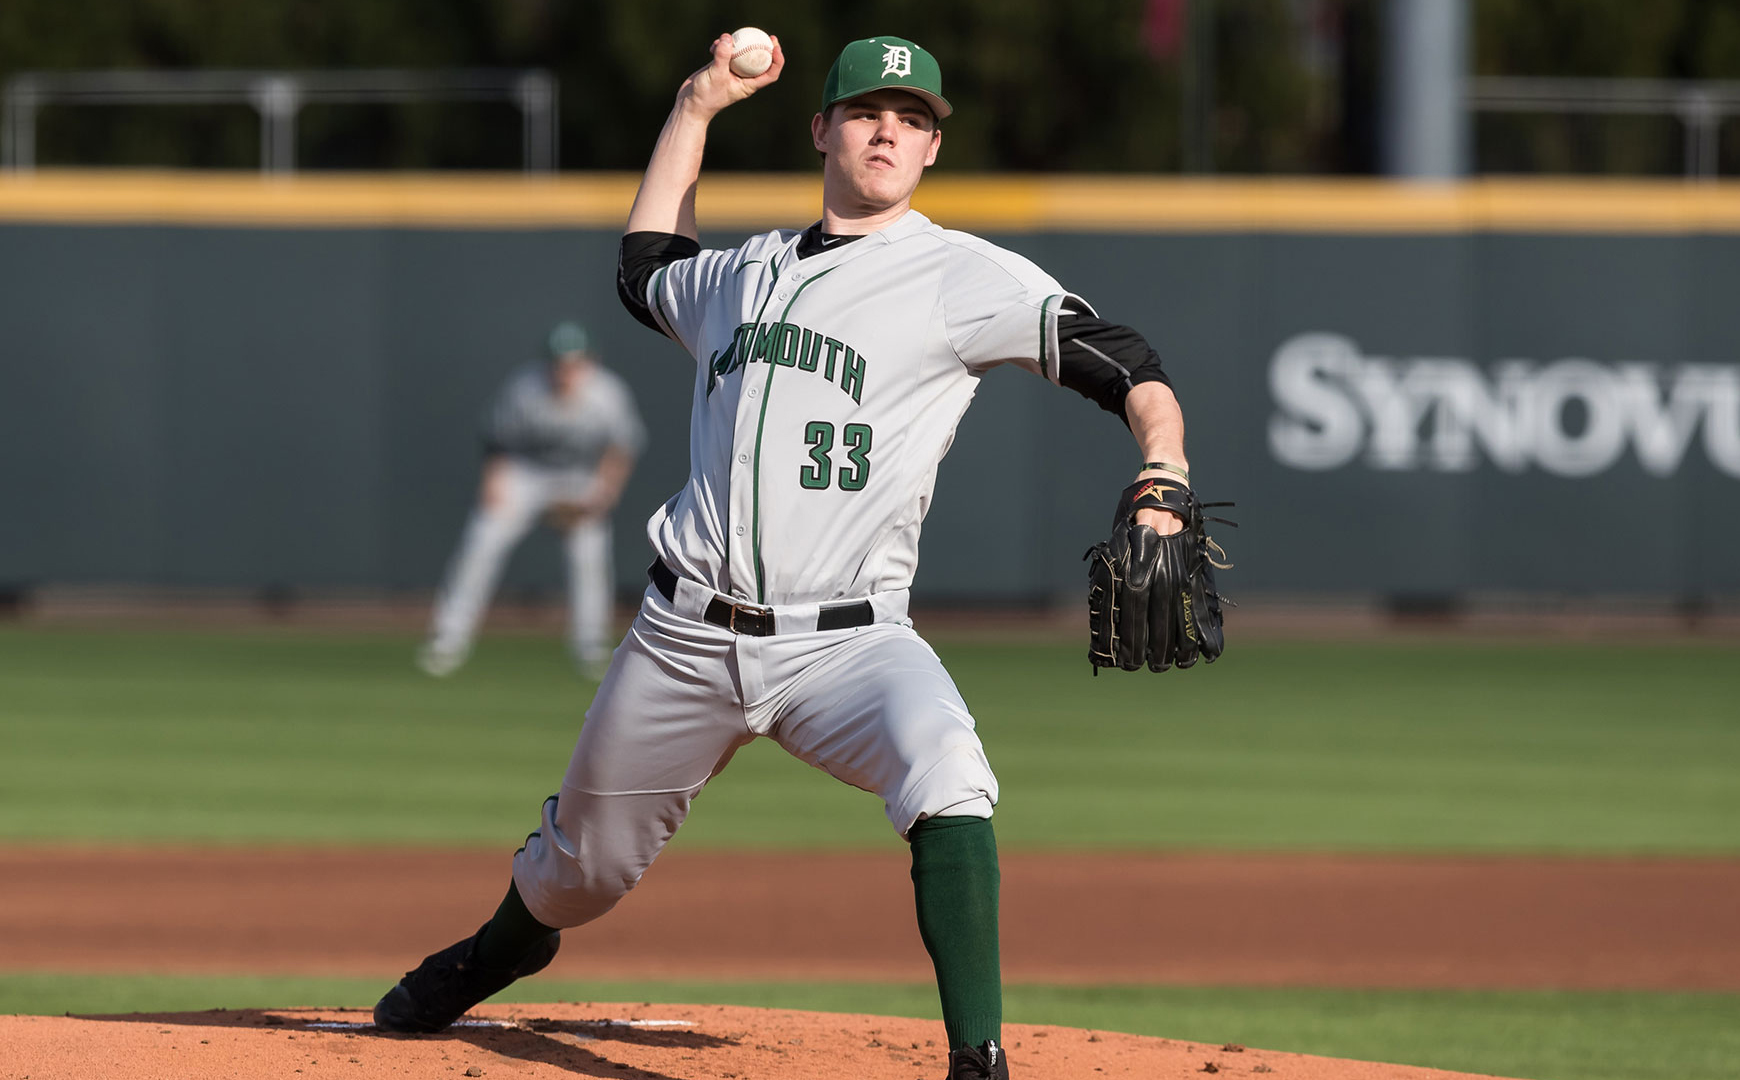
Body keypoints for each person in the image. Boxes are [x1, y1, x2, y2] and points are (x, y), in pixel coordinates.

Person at [374, 34, 1195, 1080]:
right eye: (867, 111)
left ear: (935, 146)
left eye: (915, 118)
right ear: (822, 129)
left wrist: (1162, 469)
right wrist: (695, 104)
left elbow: (1126, 362)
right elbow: (645, 268)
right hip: (683, 636)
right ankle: (491, 953)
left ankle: (978, 1060)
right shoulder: (742, 275)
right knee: (578, 880)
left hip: (848, 647)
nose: (890, 129)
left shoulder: (961, 276)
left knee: (949, 770)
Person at [417, 322, 644, 678]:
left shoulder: (607, 393)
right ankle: (448, 639)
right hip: (526, 474)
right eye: (559, 362)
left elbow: (621, 448)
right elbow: (498, 441)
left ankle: (591, 647)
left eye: (574, 363)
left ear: (590, 362)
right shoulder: (525, 388)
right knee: (482, 543)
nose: (565, 371)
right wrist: (494, 485)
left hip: (579, 478)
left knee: (589, 558)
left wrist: (603, 494)